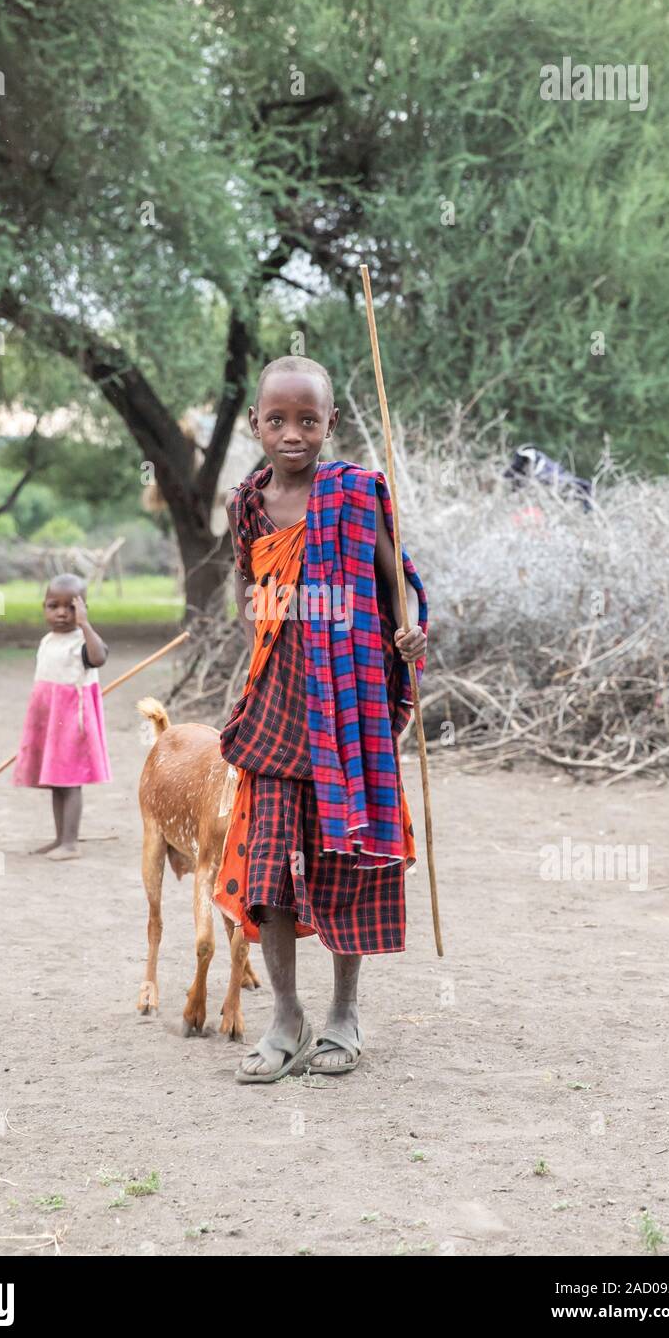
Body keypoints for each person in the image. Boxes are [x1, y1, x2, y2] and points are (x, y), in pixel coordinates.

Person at [213, 355, 428, 1083]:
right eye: (277, 420)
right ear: (255, 425)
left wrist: (409, 634)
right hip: (277, 709)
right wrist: (268, 639)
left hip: (351, 710)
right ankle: (284, 1016)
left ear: (330, 423)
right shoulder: (247, 504)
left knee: (344, 864)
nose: (292, 433)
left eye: (308, 420)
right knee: (268, 873)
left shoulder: (358, 496)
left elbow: (399, 583)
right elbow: (250, 594)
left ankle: (344, 1013)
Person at [13, 573, 111, 860]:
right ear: (44, 607)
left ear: (83, 608)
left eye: (71, 607)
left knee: (69, 781)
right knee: (57, 781)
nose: (61, 613)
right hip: (49, 719)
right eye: (53, 605)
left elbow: (99, 657)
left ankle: (70, 843)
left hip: (72, 722)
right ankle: (60, 838)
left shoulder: (82, 641)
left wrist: (85, 624)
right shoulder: (48, 640)